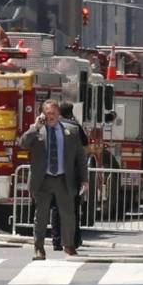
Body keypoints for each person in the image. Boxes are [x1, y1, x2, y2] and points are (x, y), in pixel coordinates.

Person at [19, 99, 88, 260]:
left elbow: (80, 157)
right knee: (41, 216)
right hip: (43, 179)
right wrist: (35, 127)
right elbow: (22, 144)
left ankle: (69, 245)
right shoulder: (36, 130)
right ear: (43, 114)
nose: (51, 116)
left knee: (68, 214)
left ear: (58, 114)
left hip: (64, 179)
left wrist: (84, 179)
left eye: (54, 113)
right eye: (48, 113)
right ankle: (39, 249)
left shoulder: (71, 131)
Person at [51, 102, 88, 252]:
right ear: (71, 112)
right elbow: (83, 150)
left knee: (55, 208)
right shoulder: (75, 127)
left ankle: (56, 241)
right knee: (72, 209)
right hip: (72, 175)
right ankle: (73, 240)